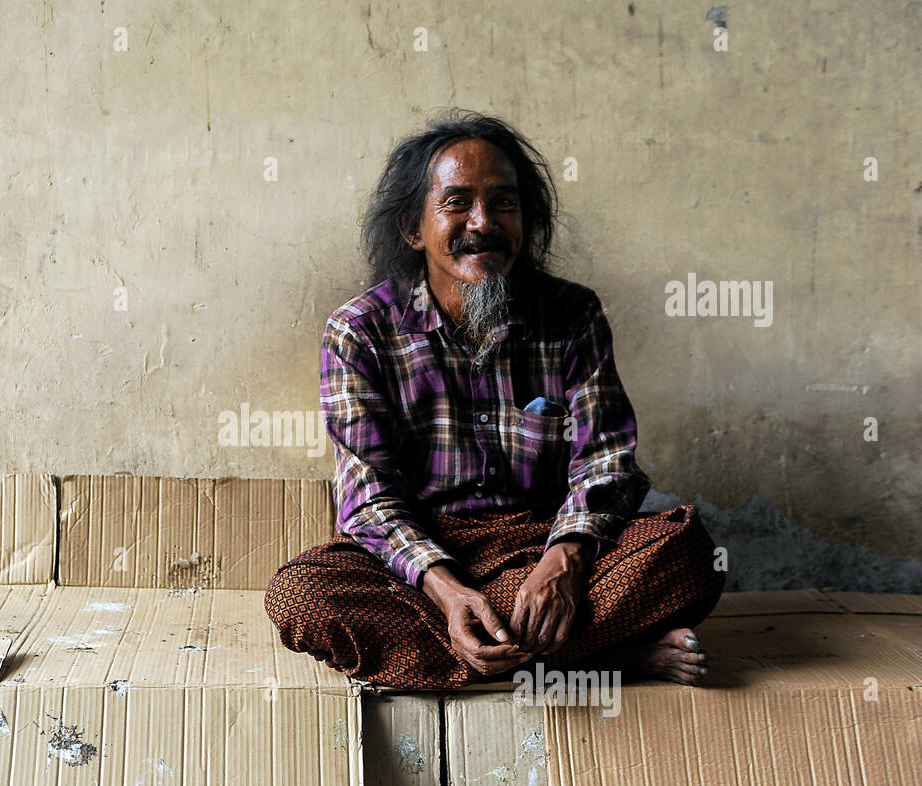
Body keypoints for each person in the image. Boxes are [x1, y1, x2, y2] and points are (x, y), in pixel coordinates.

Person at [264, 110, 725, 690]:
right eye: (457, 203)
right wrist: (448, 589)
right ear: (413, 228)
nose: (483, 223)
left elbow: (606, 462)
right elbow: (367, 496)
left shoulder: (572, 314)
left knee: (690, 551)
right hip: (425, 561)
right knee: (302, 596)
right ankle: (602, 658)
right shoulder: (360, 331)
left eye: (504, 204)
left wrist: (564, 562)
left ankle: (493, 654)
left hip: (546, 547)